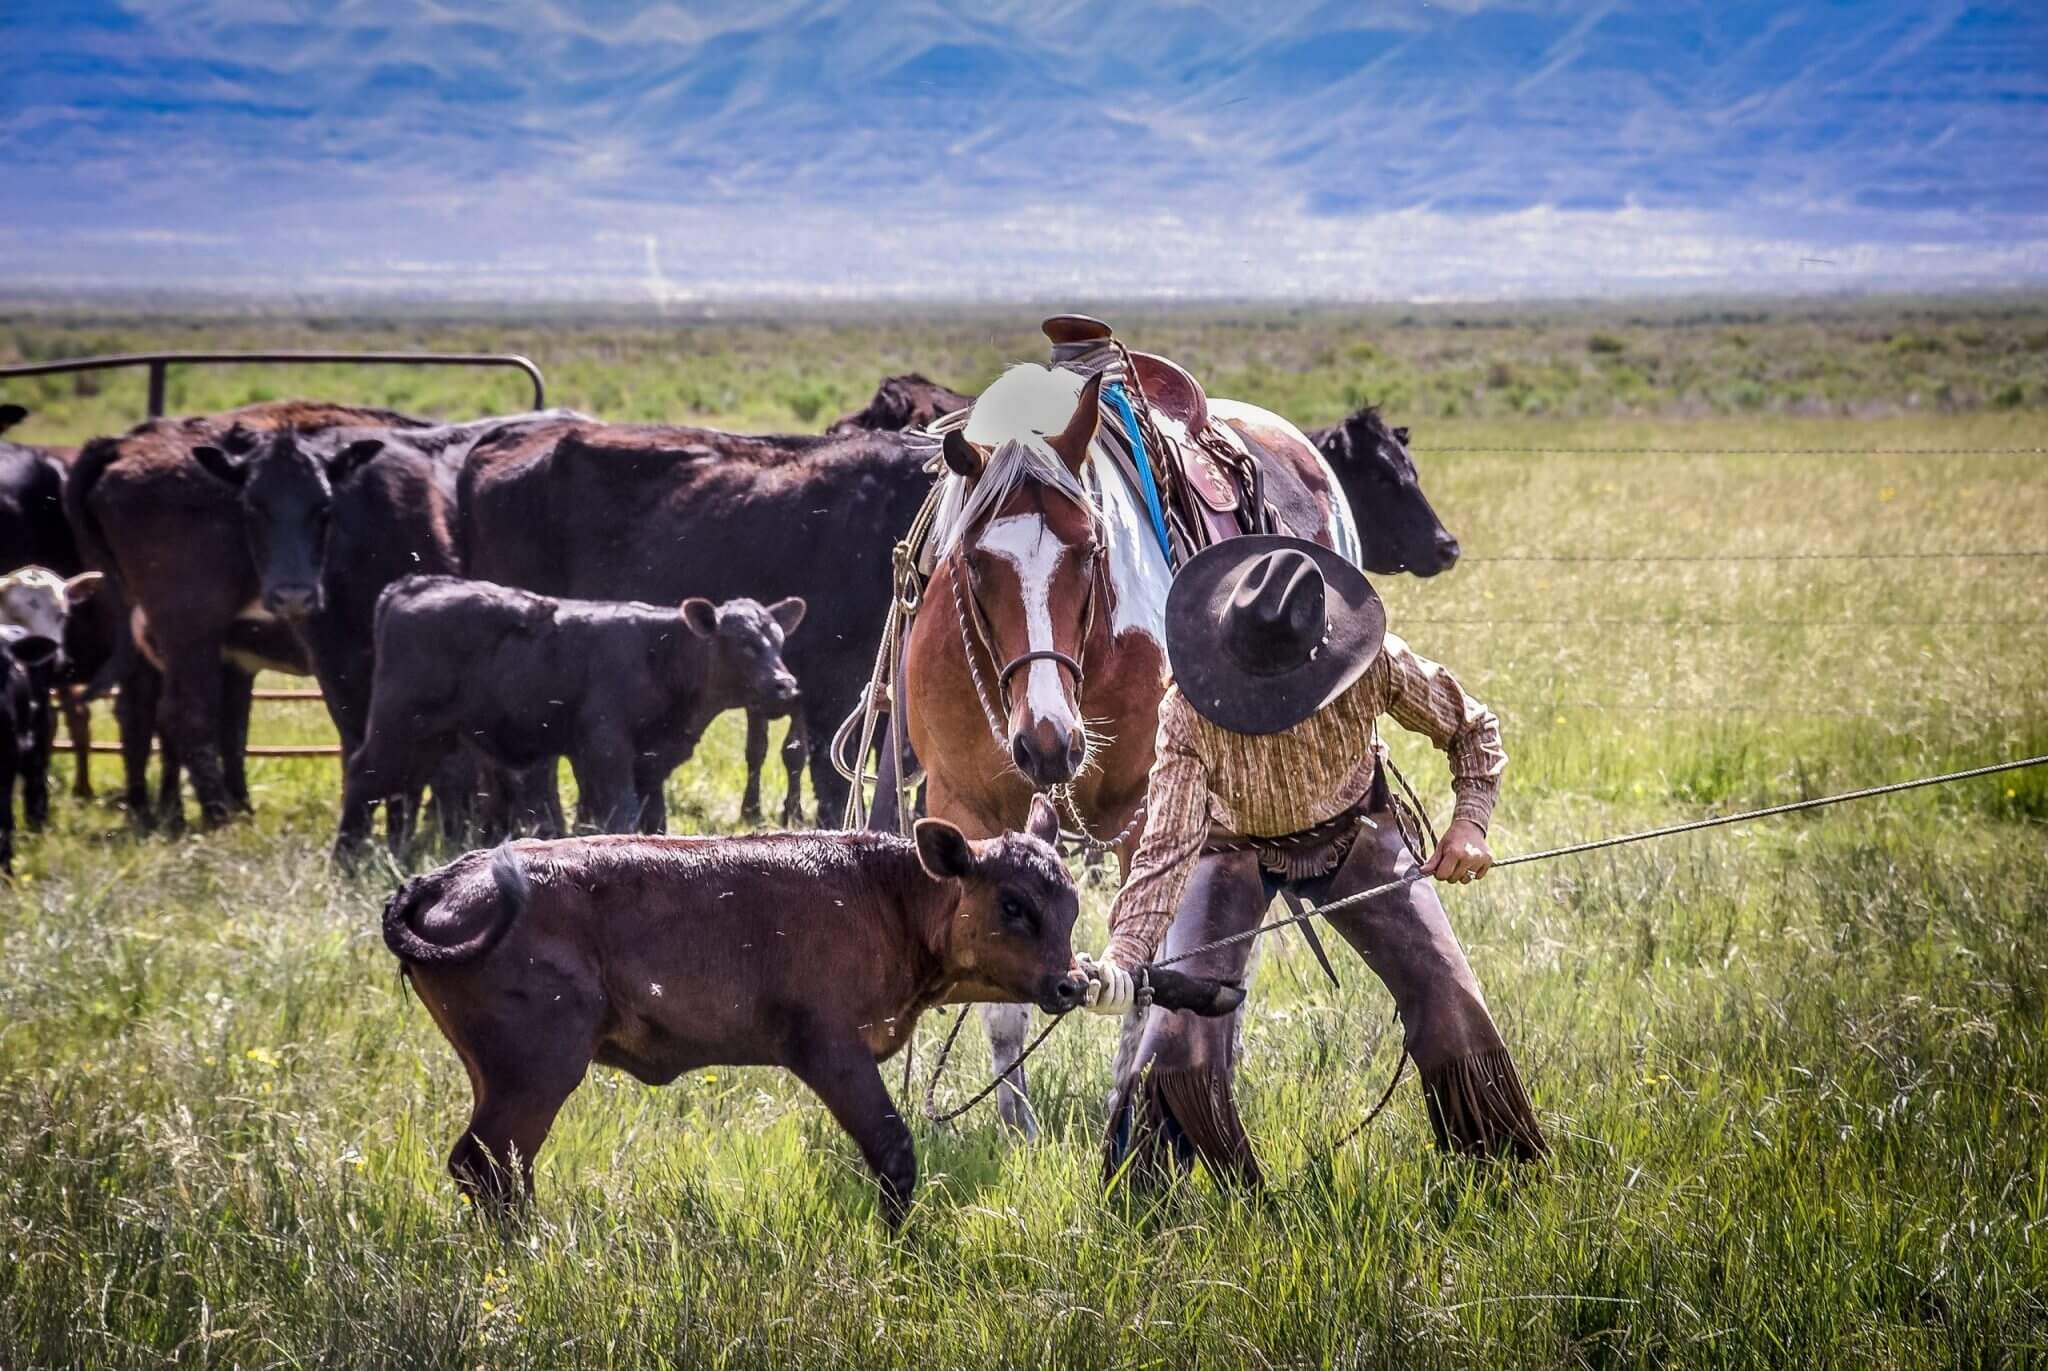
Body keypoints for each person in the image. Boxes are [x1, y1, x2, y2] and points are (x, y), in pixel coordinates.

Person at [1079, 534, 1546, 1168]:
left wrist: (1470, 824)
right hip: (1229, 844)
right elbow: (1165, 847)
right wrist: (1124, 958)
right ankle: (1153, 1202)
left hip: (1354, 830)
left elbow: (1471, 727)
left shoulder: (1375, 664)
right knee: (1175, 1029)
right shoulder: (1188, 713)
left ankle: (1497, 1167)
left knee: (1447, 991)